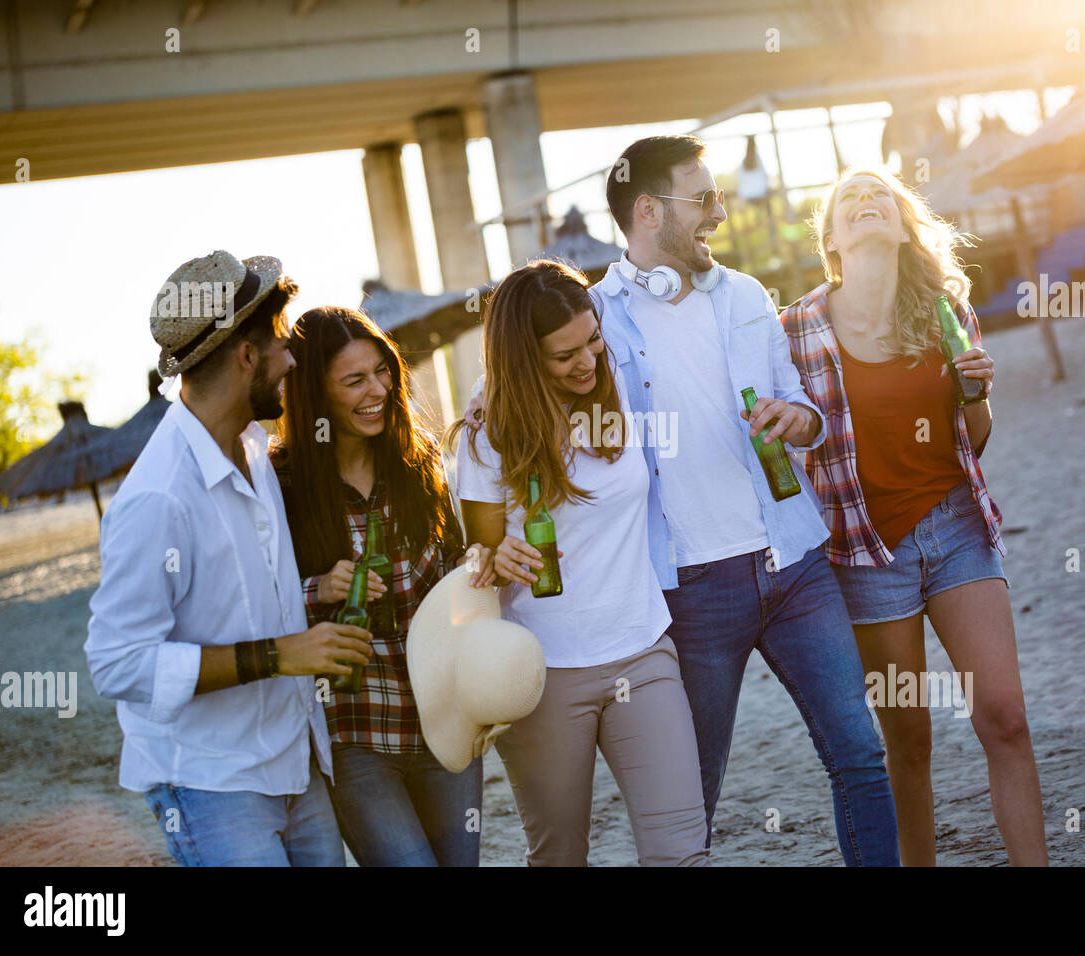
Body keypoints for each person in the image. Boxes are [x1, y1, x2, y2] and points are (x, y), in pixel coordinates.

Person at [467, 137, 900, 866]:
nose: (720, 214)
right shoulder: (593, 319)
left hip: (793, 563)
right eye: (704, 199)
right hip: (689, 592)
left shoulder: (748, 296)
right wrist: (486, 403)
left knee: (860, 755)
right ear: (648, 210)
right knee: (689, 794)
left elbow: (799, 401)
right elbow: (521, 381)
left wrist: (803, 419)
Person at [778, 168, 1048, 865]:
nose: (866, 201)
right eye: (848, 200)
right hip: (866, 557)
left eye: (880, 196)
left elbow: (976, 439)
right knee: (910, 741)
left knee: (1006, 719)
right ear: (832, 241)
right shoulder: (796, 330)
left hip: (956, 530)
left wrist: (975, 396)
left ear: (902, 226)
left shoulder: (946, 312)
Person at [86, 250, 372, 866]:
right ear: (247, 355)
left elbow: (235, 600)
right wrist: (278, 656)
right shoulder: (159, 497)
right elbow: (118, 664)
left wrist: (312, 596)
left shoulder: (254, 449)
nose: (292, 359)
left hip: (296, 762)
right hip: (210, 786)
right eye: (279, 343)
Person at [451, 259, 709, 867]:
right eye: (564, 355)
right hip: (539, 675)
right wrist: (495, 555)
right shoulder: (488, 431)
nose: (587, 361)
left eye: (591, 340)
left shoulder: (615, 380)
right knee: (559, 855)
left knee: (682, 853)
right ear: (523, 359)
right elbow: (475, 554)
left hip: (642, 650)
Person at [270, 305, 487, 867]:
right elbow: (250, 604)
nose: (379, 390)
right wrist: (315, 590)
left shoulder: (420, 463)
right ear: (316, 394)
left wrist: (481, 566)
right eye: (355, 380)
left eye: (383, 372)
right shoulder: (281, 484)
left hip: (444, 714)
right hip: (355, 730)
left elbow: (455, 581)